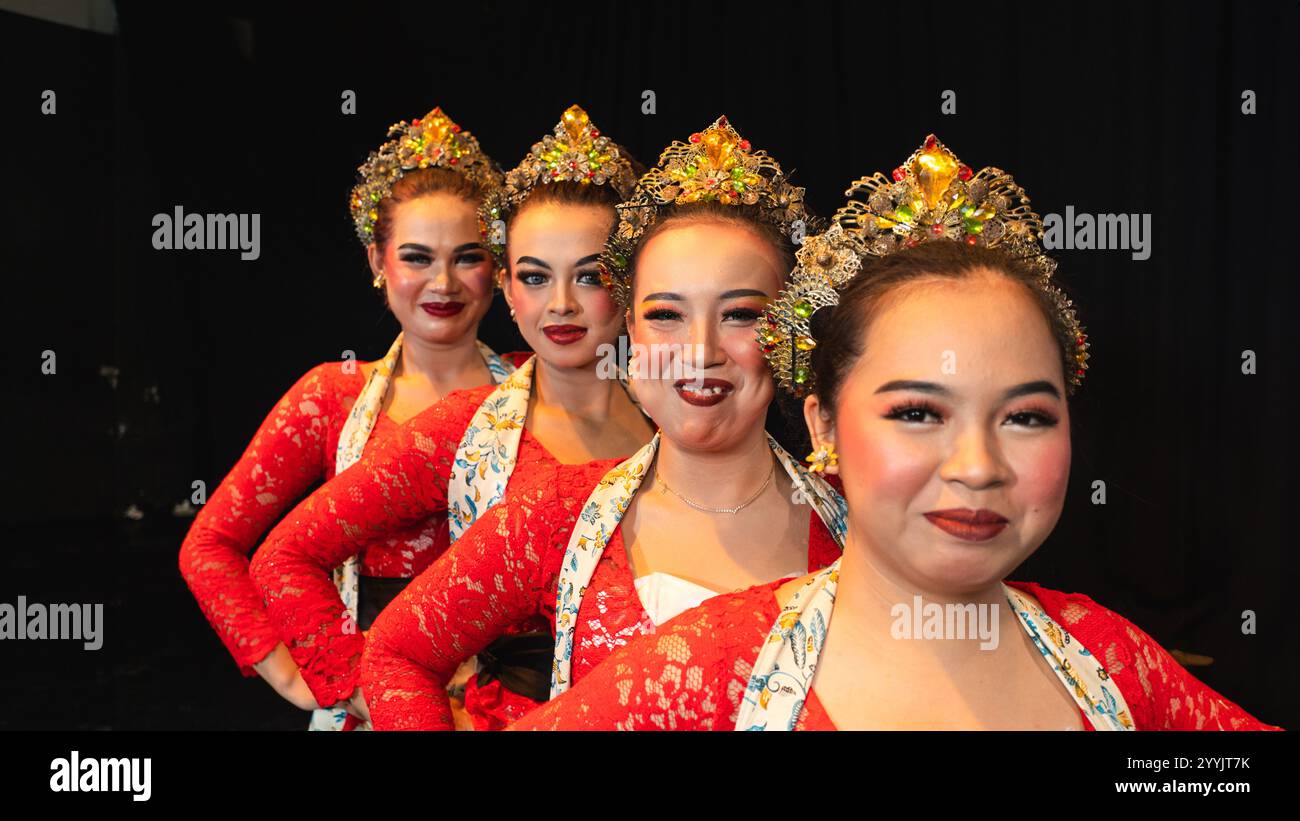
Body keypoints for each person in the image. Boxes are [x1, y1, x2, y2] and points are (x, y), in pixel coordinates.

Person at [511, 135, 1281, 731]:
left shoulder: (1108, 659)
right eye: (918, 412)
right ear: (824, 424)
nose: (978, 468)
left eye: (1026, 417)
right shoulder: (717, 664)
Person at [359, 116, 850, 731]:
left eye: (740, 315)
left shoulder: (863, 533)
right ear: (630, 329)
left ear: (787, 330)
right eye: (667, 314)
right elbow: (395, 653)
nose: (699, 351)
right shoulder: (558, 516)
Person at [250, 105, 654, 729]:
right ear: (512, 291)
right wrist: (356, 693)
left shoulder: (678, 417)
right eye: (536, 276)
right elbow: (280, 556)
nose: (562, 304)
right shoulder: (467, 427)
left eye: (591, 276)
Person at [179, 106, 524, 730]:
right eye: (416, 257)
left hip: (510, 703)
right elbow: (210, 546)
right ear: (377, 263)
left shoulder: (540, 386)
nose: (442, 282)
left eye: (467, 256)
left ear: (498, 268)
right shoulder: (331, 395)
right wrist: (309, 675)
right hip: (371, 707)